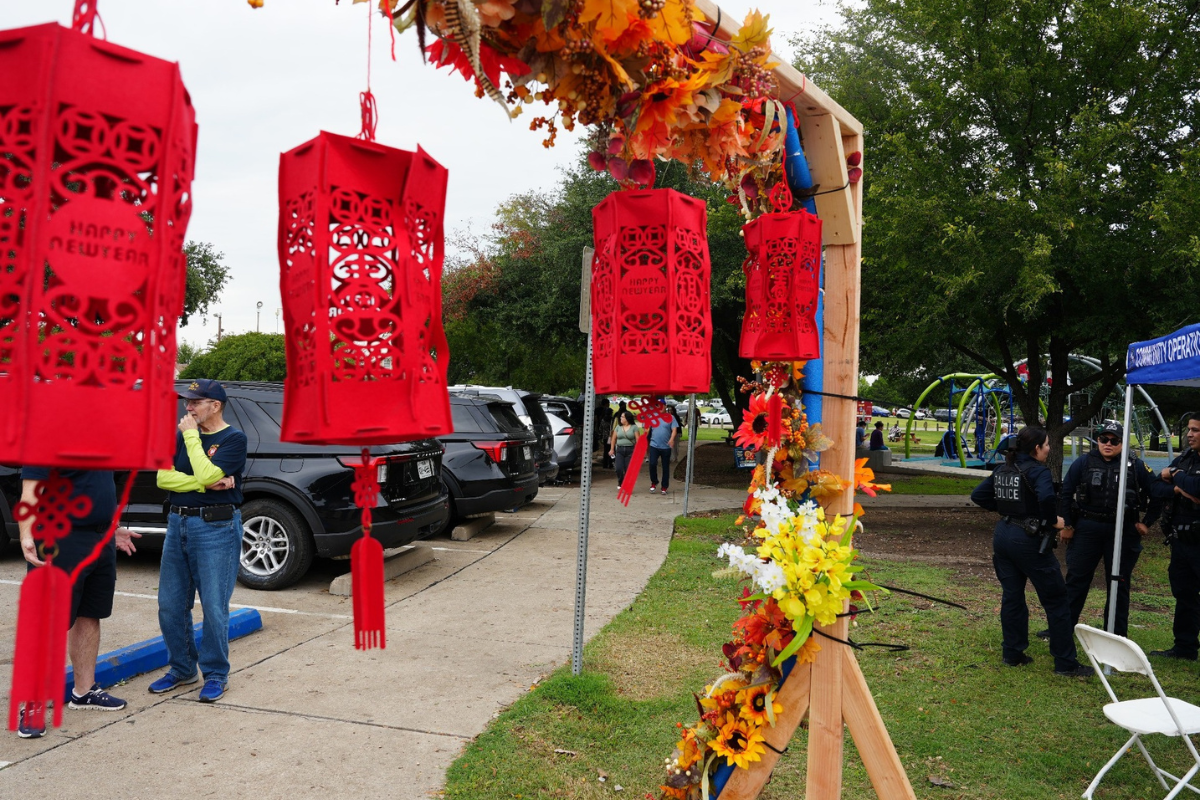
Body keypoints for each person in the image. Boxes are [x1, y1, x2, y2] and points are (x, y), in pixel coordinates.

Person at [15, 468, 139, 738]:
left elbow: (98, 486)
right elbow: (30, 492)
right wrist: (26, 535)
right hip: (59, 538)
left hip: (100, 538)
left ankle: (84, 691)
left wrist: (113, 528)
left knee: (89, 614)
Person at [149, 379, 248, 703]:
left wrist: (192, 437)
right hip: (179, 523)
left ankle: (216, 673)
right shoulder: (179, 436)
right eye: (186, 402)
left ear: (215, 405)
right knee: (170, 605)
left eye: (195, 402)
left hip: (216, 527)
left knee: (214, 607)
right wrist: (204, 483)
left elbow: (206, 473)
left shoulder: (234, 438)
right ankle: (182, 668)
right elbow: (163, 477)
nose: (187, 408)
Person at [970, 425, 1093, 677]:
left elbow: (979, 495)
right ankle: (1065, 662)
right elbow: (1047, 500)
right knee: (1057, 600)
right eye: (1047, 445)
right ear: (1036, 448)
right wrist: (1051, 521)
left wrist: (1008, 510)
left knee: (1012, 596)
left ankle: (1012, 653)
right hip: (1027, 540)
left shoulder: (1003, 469)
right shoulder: (1038, 471)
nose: (1049, 449)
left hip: (1003, 536)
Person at [1049, 421, 1173, 638]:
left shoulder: (1135, 465)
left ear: (1123, 442)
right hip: (1087, 527)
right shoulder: (1084, 462)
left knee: (1119, 582)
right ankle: (1062, 630)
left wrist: (1147, 522)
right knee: (1076, 580)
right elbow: (1065, 494)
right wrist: (1067, 524)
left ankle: (1115, 635)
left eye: (1114, 440)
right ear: (1097, 440)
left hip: (1122, 530)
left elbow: (1158, 492)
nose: (1107, 444)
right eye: (1103, 439)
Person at [1151, 413, 1200, 660]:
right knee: (1184, 594)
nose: (1189, 434)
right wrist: (1179, 487)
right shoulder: (1187, 458)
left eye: (1196, 430)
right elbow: (1155, 486)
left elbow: (1197, 489)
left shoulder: (1181, 466)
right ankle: (1185, 648)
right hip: (1181, 541)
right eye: (1189, 429)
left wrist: (1176, 476)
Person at [647, 402, 679, 495]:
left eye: (661, 406)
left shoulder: (671, 417)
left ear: (665, 406)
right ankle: (654, 482)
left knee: (665, 467)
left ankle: (664, 486)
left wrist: (672, 439)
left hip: (666, 447)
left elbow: (674, 430)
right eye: (657, 405)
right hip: (654, 445)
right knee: (652, 464)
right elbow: (648, 429)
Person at [609, 410, 640, 485]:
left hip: (630, 450)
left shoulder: (634, 427)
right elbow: (613, 439)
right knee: (618, 468)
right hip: (620, 450)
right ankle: (620, 481)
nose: (620, 418)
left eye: (622, 417)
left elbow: (638, 440)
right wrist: (612, 449)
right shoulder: (618, 427)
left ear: (627, 418)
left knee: (628, 469)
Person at [595, 397, 614, 469]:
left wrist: (600, 434)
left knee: (606, 450)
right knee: (612, 450)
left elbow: (600, 428)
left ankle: (605, 464)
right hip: (611, 436)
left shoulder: (603, 420)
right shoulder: (611, 420)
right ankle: (611, 463)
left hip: (605, 437)